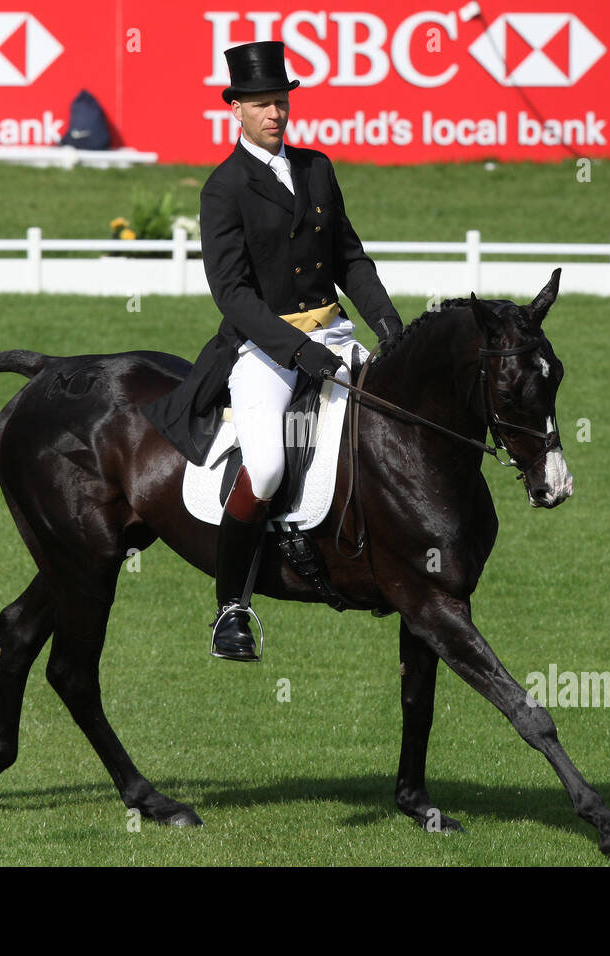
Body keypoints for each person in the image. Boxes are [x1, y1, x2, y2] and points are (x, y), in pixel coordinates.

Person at [142, 40, 402, 661]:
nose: (274, 114)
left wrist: (390, 325)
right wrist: (296, 352)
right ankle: (231, 608)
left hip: (335, 333)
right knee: (267, 466)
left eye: (280, 102)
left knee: (393, 430)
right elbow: (232, 295)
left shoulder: (317, 168)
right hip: (263, 348)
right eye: (261, 105)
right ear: (236, 110)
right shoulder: (223, 188)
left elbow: (348, 258)